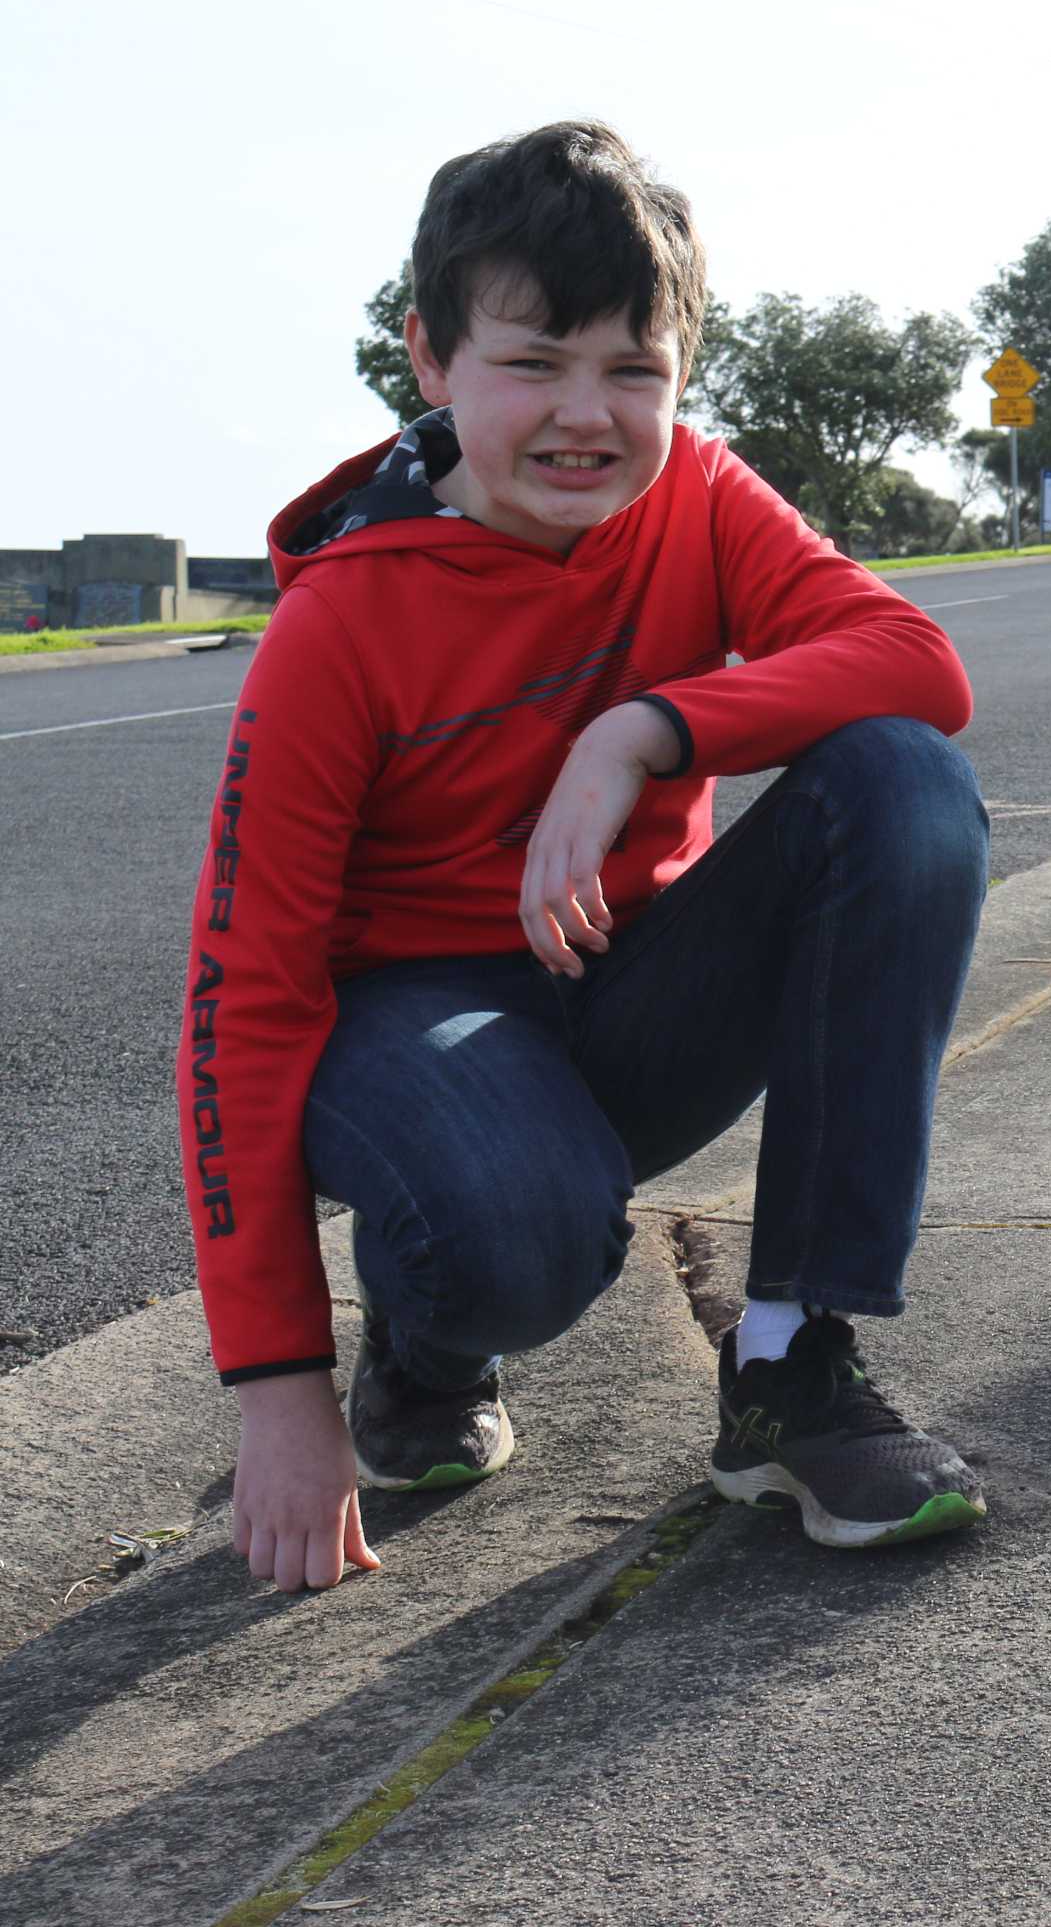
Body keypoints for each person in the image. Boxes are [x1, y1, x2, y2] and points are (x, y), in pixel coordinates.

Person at [187, 121, 995, 1593]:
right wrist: (277, 1390)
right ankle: (426, 1348)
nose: (586, 414)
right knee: (515, 1237)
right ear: (430, 361)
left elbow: (917, 664)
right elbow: (241, 1001)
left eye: (634, 370)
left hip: (626, 991)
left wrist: (646, 728)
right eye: (533, 363)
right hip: (412, 1028)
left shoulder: (696, 493)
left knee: (900, 780)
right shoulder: (339, 626)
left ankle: (790, 1366)